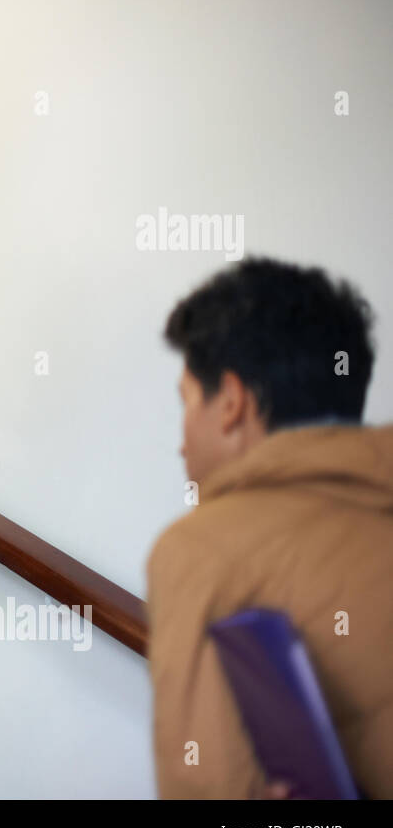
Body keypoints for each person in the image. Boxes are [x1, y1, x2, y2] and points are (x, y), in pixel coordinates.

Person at [147, 256, 392, 799]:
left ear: (231, 402)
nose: (182, 441)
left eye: (187, 403)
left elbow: (209, 794)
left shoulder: (204, 550)